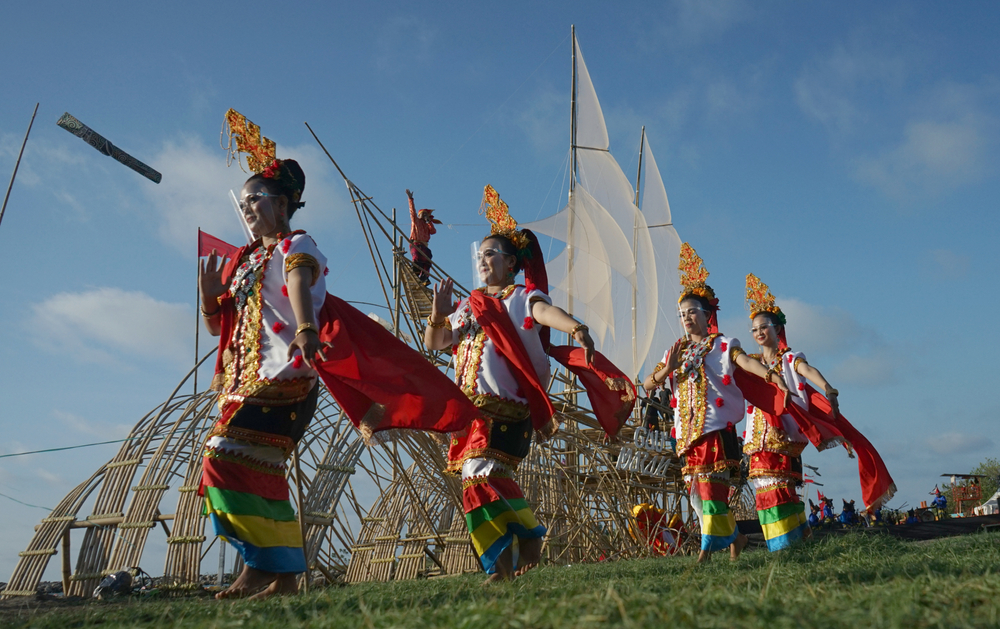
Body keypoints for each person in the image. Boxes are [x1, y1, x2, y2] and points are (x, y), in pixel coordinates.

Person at [424, 185, 633, 582]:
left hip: (505, 409)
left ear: (510, 264)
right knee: (474, 482)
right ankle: (507, 560)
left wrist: (576, 328)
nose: (483, 260)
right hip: (470, 413)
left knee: (481, 475)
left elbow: (545, 313)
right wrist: (438, 314)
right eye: (481, 254)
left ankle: (526, 540)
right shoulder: (468, 306)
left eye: (492, 254)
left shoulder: (519, 298)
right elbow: (435, 342)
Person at [199, 158, 328, 600]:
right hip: (245, 380)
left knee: (221, 454)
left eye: (254, 198)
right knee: (265, 472)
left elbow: (299, 282)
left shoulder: (297, 244)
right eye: (243, 202)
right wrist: (209, 298)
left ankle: (260, 564)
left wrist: (306, 328)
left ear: (283, 204)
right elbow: (219, 328)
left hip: (286, 374)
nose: (247, 207)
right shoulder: (246, 259)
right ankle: (285, 578)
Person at [642, 243, 786, 563]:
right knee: (697, 499)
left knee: (710, 493)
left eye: (692, 311)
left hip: (715, 431)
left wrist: (771, 375)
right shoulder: (675, 351)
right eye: (682, 314)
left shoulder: (722, 345)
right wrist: (667, 368)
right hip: (686, 435)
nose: (686, 318)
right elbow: (648, 383)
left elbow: (745, 363)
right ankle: (737, 539)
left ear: (707, 315)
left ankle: (705, 553)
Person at [742, 273, 895, 545]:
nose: (759, 333)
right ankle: (799, 538)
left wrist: (828, 388)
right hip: (757, 435)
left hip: (782, 432)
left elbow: (807, 370)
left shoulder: (788, 359)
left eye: (764, 326)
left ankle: (783, 545)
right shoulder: (752, 362)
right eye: (754, 329)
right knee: (768, 484)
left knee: (773, 483)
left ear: (778, 329)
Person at [406, 189, 440, 285]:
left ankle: (425, 277)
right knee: (417, 255)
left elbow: (433, 231)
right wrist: (410, 199)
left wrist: (429, 222)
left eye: (426, 214)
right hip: (415, 243)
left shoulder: (427, 225)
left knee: (428, 257)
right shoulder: (416, 221)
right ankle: (415, 271)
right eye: (423, 214)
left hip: (424, 245)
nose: (424, 216)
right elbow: (412, 212)